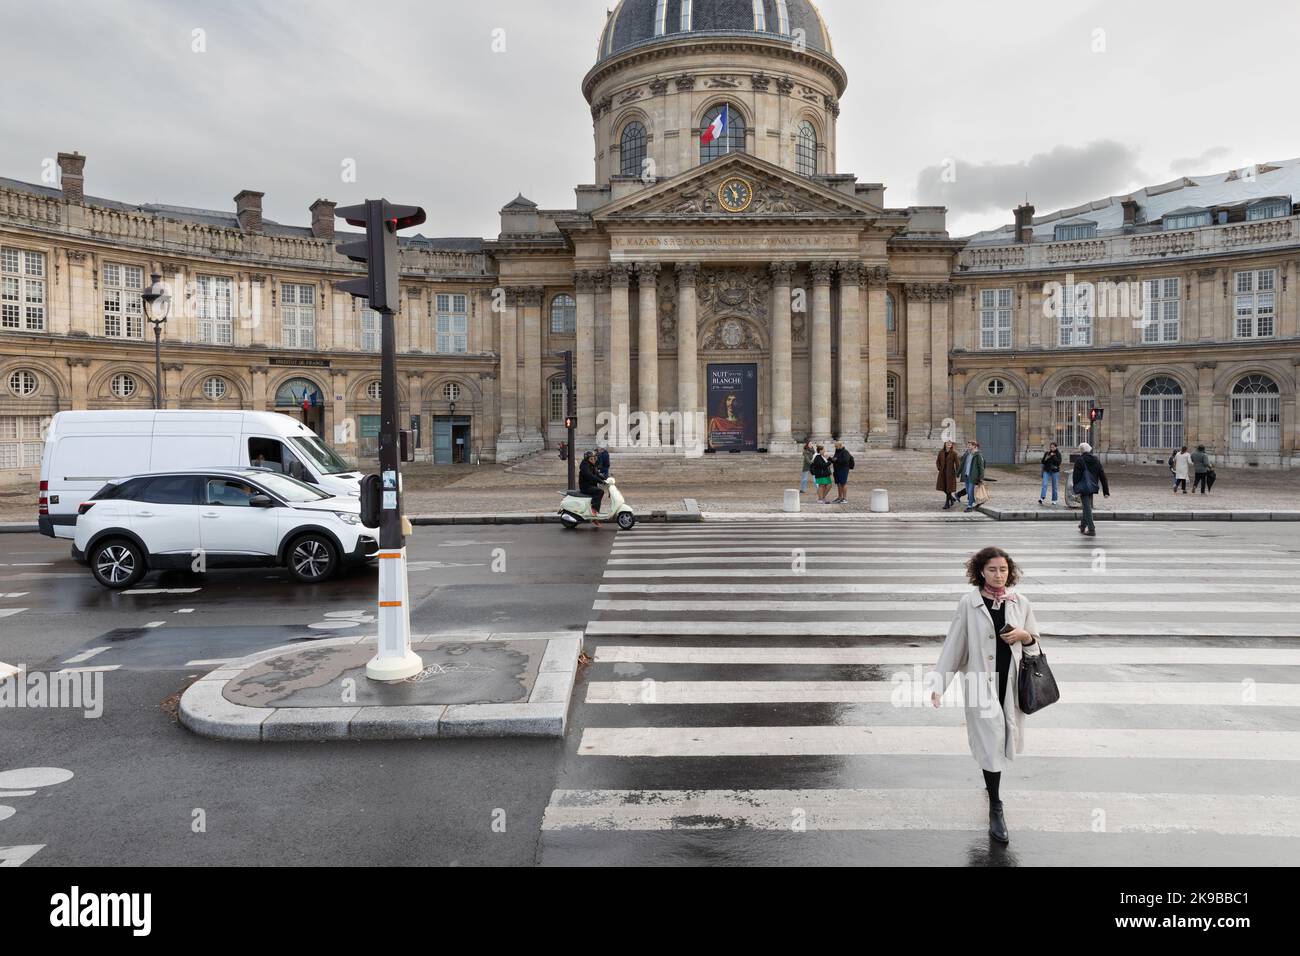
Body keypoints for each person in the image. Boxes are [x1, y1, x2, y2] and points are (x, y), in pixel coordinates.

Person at [928, 546, 1044, 844]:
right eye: (992, 569)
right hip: (981, 683)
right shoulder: (969, 603)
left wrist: (1024, 636)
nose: (998, 574)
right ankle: (996, 804)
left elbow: (1035, 644)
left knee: (1004, 737)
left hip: (1011, 681)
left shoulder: (1021, 602)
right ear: (981, 571)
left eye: (1003, 569)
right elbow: (955, 644)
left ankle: (991, 788)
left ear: (1010, 571)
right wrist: (939, 684)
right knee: (991, 741)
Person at [1071, 441, 1110, 536]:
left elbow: (1075, 476)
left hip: (1083, 487)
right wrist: (1106, 491)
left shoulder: (1079, 460)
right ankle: (1083, 525)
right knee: (1086, 506)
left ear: (1081, 451)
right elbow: (1102, 475)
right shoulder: (1096, 459)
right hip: (1092, 485)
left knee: (1087, 507)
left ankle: (1091, 529)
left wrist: (1076, 489)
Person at [957, 440, 985, 512]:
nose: (968, 446)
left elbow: (981, 467)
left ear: (974, 446)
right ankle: (972, 503)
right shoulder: (967, 454)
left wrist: (981, 477)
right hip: (966, 475)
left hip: (973, 476)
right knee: (968, 490)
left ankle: (970, 506)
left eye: (970, 445)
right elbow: (962, 464)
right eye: (968, 445)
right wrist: (958, 473)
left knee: (970, 491)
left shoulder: (978, 455)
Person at [578, 451, 605, 528]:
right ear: (587, 459)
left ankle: (595, 514)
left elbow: (597, 474)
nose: (594, 460)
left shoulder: (591, 466)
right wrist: (599, 480)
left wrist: (605, 478)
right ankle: (593, 510)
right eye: (591, 459)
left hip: (590, 486)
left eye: (594, 458)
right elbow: (589, 476)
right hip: (585, 487)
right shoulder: (584, 466)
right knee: (600, 491)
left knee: (599, 492)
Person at [936, 440, 959, 509]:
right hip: (942, 473)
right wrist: (939, 468)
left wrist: (957, 473)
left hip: (950, 474)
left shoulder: (954, 453)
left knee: (948, 488)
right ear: (945, 444)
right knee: (943, 487)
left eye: (950, 443)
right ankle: (951, 498)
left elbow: (957, 464)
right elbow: (938, 461)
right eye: (948, 443)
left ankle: (947, 503)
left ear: (952, 445)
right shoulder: (941, 452)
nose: (949, 444)